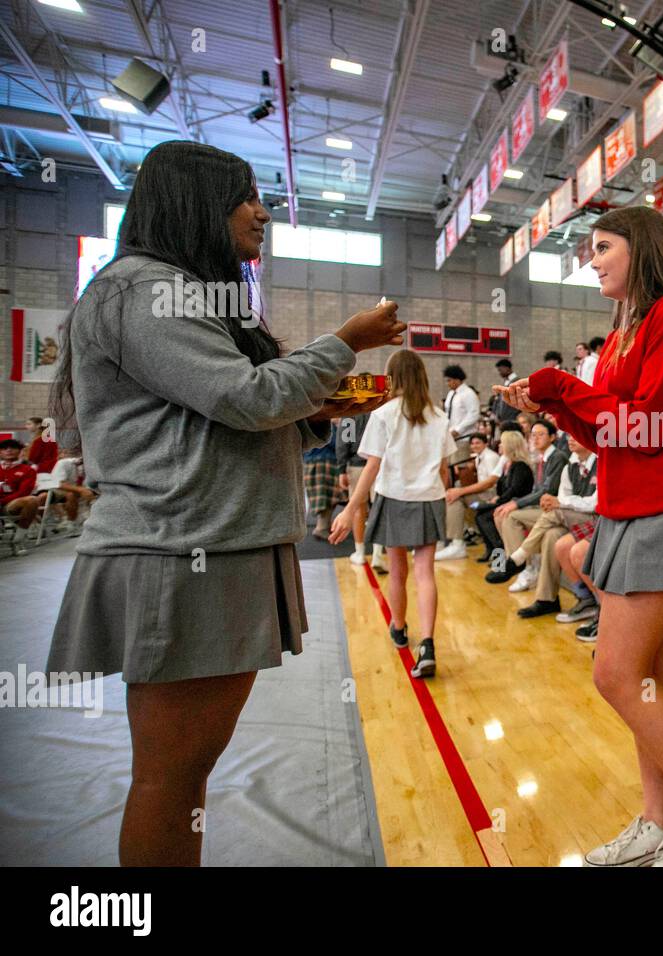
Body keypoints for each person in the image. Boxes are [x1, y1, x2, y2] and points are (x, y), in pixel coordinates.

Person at [45, 140, 403, 866]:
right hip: (181, 552)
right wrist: (345, 342)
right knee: (170, 780)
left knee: (183, 776)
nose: (261, 212)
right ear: (194, 203)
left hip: (208, 545)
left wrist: (310, 414)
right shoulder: (142, 289)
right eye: (244, 196)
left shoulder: (176, 292)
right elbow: (243, 398)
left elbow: (218, 422)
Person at [494, 204, 663, 867]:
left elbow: (650, 425)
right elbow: (602, 436)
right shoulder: (623, 328)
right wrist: (550, 403)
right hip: (630, 506)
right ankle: (658, 819)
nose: (593, 259)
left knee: (617, 675)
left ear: (641, 248)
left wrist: (559, 385)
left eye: (603, 246)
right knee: (647, 676)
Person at [331, 350, 456, 679]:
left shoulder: (384, 414)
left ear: (393, 377)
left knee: (397, 572)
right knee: (425, 573)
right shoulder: (439, 416)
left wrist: (349, 509)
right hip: (430, 499)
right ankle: (428, 643)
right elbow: (445, 471)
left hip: (395, 498)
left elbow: (371, 467)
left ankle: (399, 628)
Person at [505, 437, 598, 619]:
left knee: (514, 514)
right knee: (552, 536)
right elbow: (554, 494)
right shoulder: (569, 465)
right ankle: (548, 599)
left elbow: (595, 503)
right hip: (569, 515)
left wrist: (556, 502)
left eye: (576, 434)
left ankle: (520, 559)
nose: (571, 439)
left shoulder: (595, 463)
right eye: (569, 435)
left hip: (592, 518)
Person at [485, 418, 569, 587]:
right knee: (497, 514)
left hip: (552, 507)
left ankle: (520, 566)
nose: (535, 439)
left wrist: (515, 503)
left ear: (553, 437)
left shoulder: (556, 458)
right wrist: (512, 502)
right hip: (539, 505)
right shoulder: (541, 458)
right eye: (533, 435)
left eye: (540, 434)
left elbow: (546, 490)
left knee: (508, 516)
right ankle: (512, 562)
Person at [436, 432, 500, 560]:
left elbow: (490, 483)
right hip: (483, 494)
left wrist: (461, 491)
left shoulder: (491, 457)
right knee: (452, 495)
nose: (474, 445)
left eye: (478, 443)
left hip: (492, 496)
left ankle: (456, 543)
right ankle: (447, 541)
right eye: (472, 443)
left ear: (486, 444)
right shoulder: (478, 458)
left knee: (455, 496)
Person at [473, 429, 534, 561]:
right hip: (507, 501)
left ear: (510, 446)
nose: (499, 445)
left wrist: (498, 500)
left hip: (518, 503)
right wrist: (498, 498)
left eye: (502, 443)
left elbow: (515, 490)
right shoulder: (508, 464)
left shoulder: (520, 466)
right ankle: (492, 550)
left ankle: (499, 554)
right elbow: (505, 489)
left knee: (484, 517)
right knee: (479, 514)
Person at [337, 411, 386, 571]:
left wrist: (341, 468)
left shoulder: (351, 413)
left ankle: (360, 552)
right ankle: (378, 554)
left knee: (358, 508)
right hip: (381, 465)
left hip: (356, 464)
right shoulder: (381, 409)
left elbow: (344, 441)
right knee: (379, 509)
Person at [304, 423, 344, 539]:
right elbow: (336, 444)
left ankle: (324, 526)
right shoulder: (329, 424)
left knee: (322, 497)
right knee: (327, 497)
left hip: (310, 461)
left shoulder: (308, 422)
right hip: (325, 462)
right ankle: (321, 528)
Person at [443, 364, 480, 465]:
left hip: (463, 437)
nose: (447, 383)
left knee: (461, 465)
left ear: (457, 380)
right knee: (451, 466)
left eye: (449, 380)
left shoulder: (468, 394)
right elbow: (447, 413)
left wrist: (458, 430)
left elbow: (474, 414)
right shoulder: (451, 394)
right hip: (451, 435)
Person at [1, 438, 40, 529]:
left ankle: (22, 532)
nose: (9, 450)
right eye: (4, 448)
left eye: (13, 447)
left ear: (19, 451)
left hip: (11, 504)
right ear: (0, 452)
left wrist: (2, 501)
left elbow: (23, 492)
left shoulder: (28, 470)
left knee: (32, 500)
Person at [490, 358, 522, 427]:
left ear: (507, 368)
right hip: (503, 420)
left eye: (500, 370)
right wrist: (497, 415)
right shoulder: (506, 382)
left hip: (512, 419)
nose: (500, 373)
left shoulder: (517, 382)